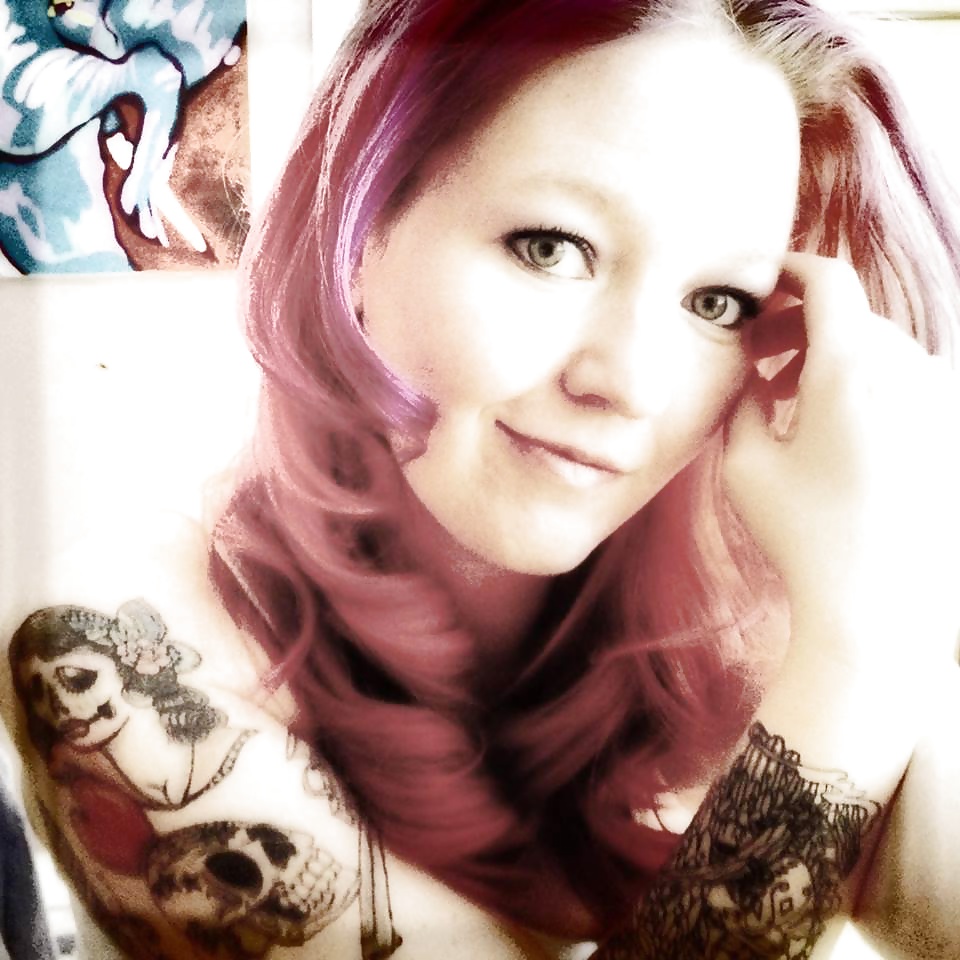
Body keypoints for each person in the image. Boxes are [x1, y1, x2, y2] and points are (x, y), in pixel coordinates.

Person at [4, 0, 960, 957]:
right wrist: (854, 659)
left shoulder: (759, 592)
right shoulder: (102, 647)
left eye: (718, 303)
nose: (629, 384)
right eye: (551, 249)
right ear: (358, 230)